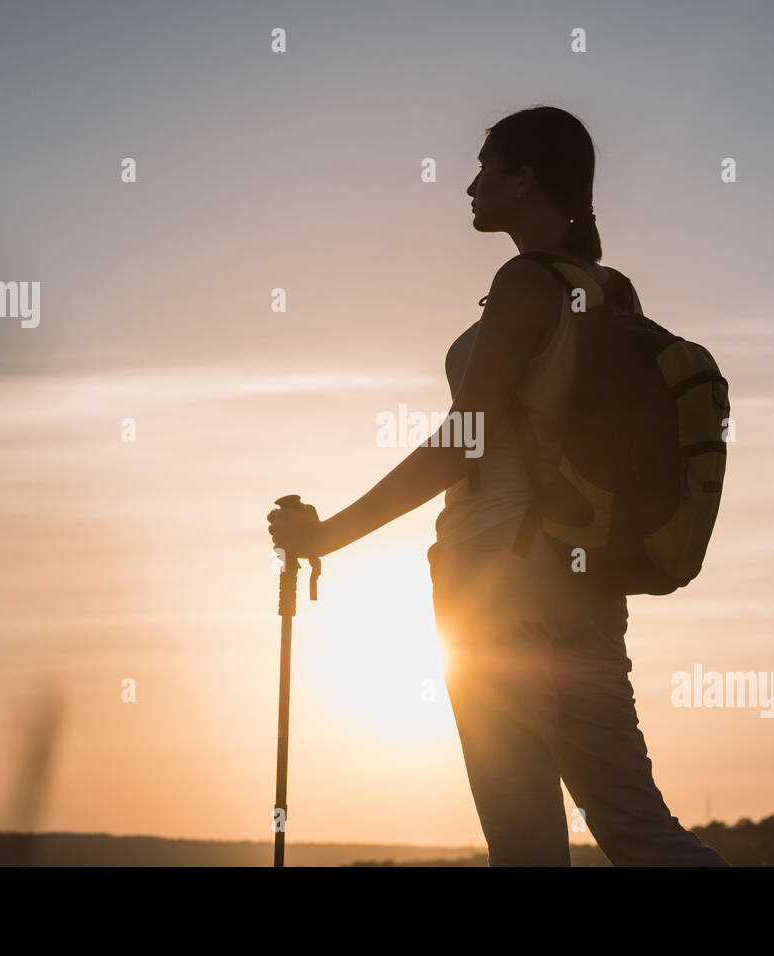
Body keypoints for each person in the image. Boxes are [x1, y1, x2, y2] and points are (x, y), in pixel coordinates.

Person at [268, 105, 729, 867]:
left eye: (486, 167)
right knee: (640, 832)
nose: (471, 185)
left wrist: (328, 536)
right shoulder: (612, 290)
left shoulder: (522, 282)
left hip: (497, 581)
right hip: (587, 581)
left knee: (526, 845)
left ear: (524, 180)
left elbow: (466, 439)